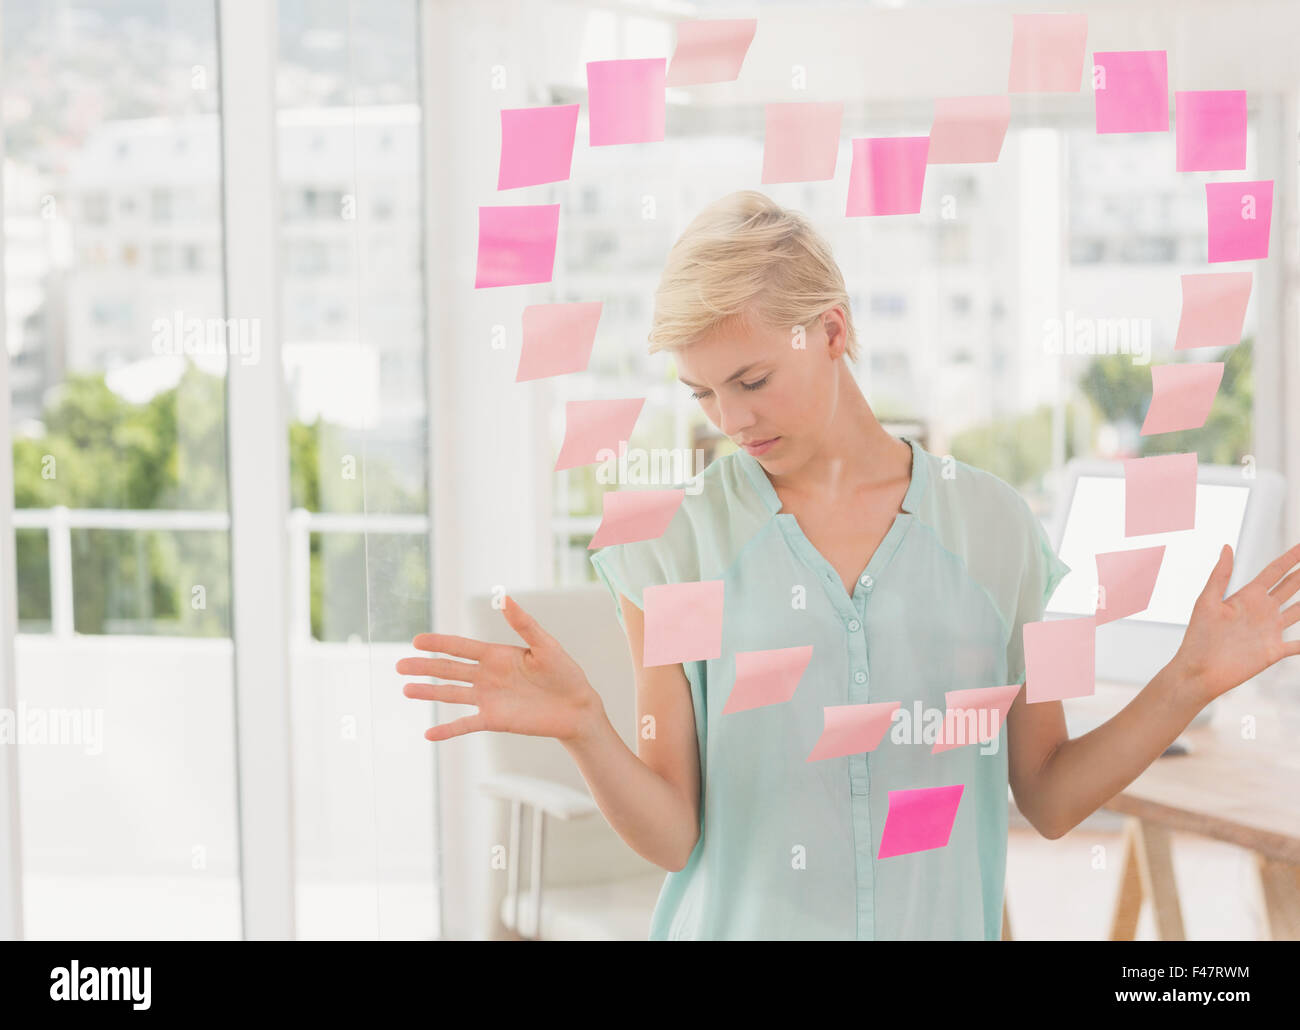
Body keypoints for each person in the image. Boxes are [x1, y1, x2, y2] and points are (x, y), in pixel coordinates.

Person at [397, 190, 1300, 940]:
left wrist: (1187, 680)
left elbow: (1052, 792)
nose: (731, 421)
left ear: (831, 331)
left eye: (750, 381)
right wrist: (586, 728)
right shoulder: (670, 544)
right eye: (703, 394)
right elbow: (673, 834)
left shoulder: (997, 530)